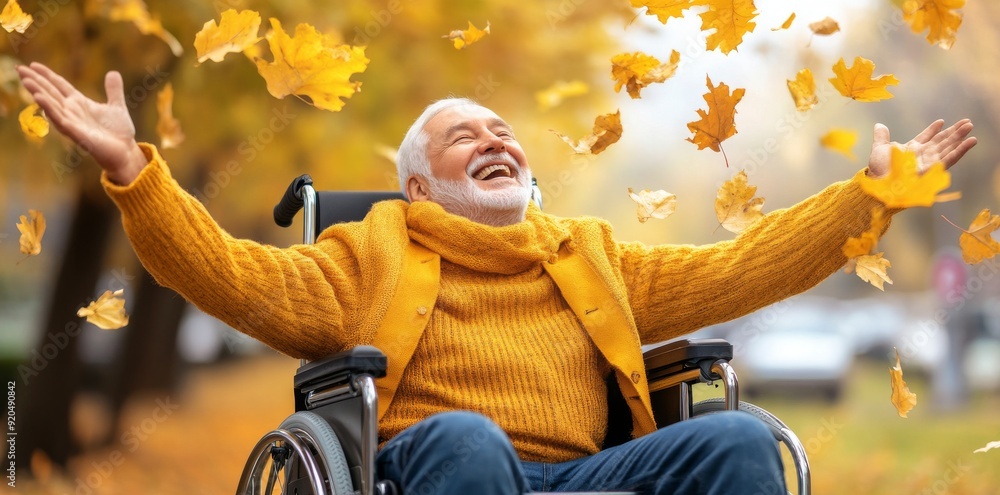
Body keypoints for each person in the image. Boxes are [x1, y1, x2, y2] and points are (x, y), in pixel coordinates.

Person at [18, 61, 976, 494]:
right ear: (416, 183)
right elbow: (230, 274)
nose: (496, 141)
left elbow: (739, 263)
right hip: (438, 469)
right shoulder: (371, 250)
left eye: (504, 132)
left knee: (733, 442)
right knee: (469, 442)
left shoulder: (588, 250)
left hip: (591, 473)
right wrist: (136, 177)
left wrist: (866, 202)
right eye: (464, 136)